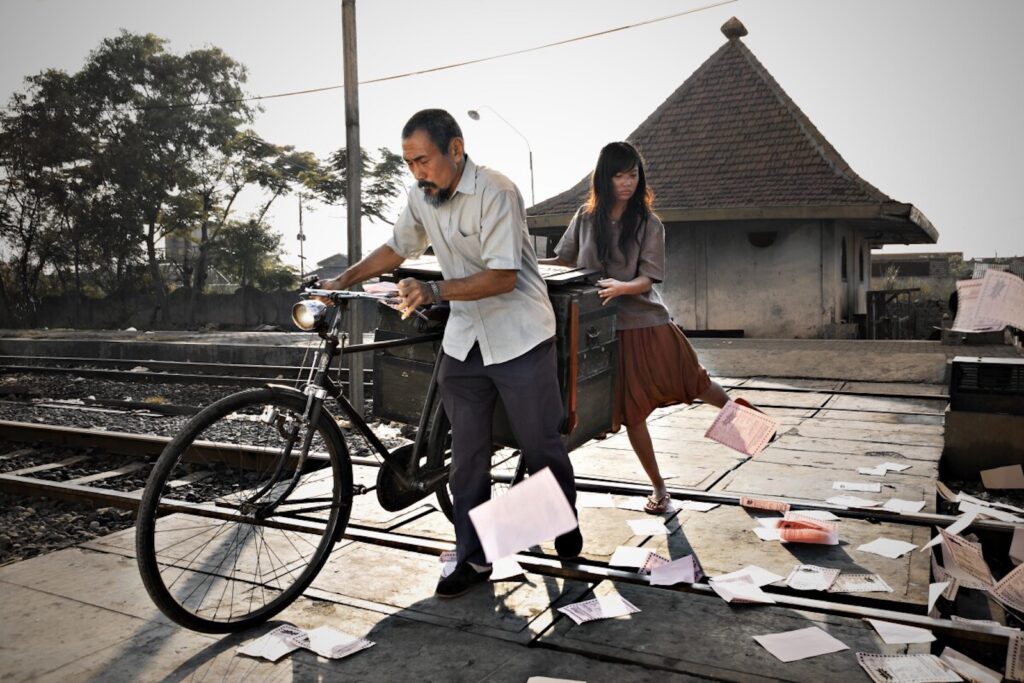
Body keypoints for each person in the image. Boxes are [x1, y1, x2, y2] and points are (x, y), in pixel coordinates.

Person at [320, 109, 582, 598]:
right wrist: (342, 281)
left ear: (456, 150)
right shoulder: (422, 197)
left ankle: (563, 525)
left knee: (540, 444)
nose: (416, 172)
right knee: (466, 457)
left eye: (422, 160)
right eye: (408, 163)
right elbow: (396, 248)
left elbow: (503, 276)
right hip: (465, 339)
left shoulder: (496, 192)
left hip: (520, 334)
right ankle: (475, 558)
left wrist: (434, 293)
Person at [542, 141, 737, 515]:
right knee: (632, 413)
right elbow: (562, 260)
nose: (626, 182)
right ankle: (660, 489)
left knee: (695, 383)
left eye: (632, 174)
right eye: (618, 175)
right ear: (605, 177)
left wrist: (620, 287)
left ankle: (749, 430)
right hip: (600, 329)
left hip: (647, 323)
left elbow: (649, 278)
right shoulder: (585, 218)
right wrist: (520, 263)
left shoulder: (649, 223)